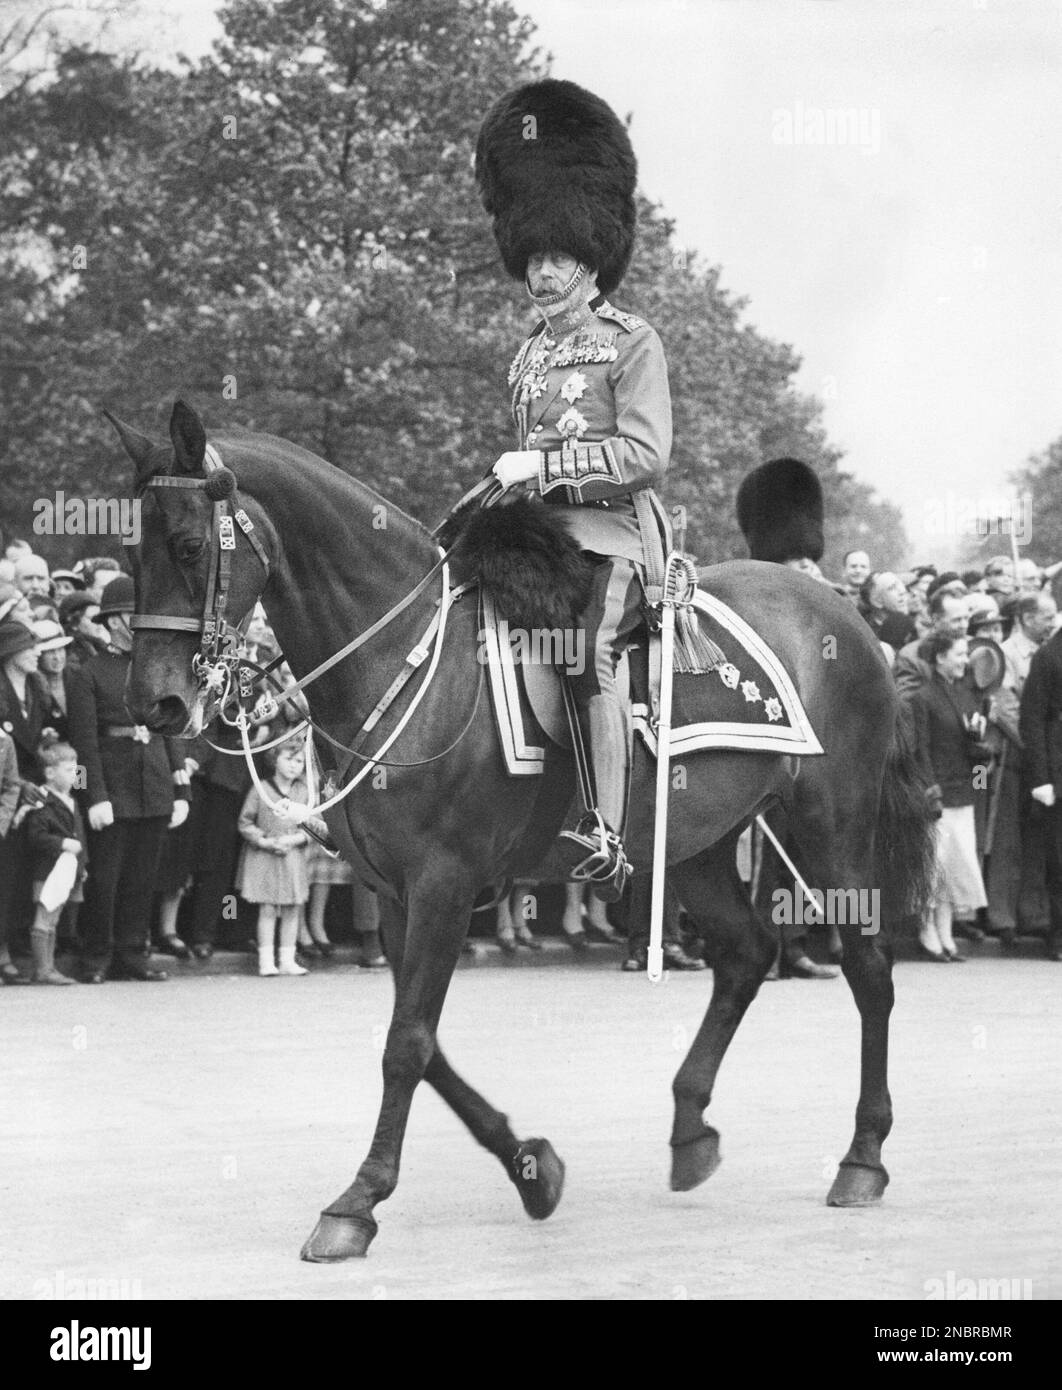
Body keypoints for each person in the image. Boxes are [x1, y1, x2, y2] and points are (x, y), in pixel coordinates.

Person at [475, 78, 671, 900]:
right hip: (539, 537)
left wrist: (545, 469)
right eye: (533, 255)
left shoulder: (633, 341)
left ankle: (604, 825)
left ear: (591, 257)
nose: (541, 271)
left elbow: (646, 453)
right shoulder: (527, 354)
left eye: (556, 256)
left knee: (585, 648)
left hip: (613, 539)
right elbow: (524, 458)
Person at [65, 575, 189, 983]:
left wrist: (181, 787)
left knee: (142, 879)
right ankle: (96, 957)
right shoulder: (89, 672)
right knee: (105, 879)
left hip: (153, 784)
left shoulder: (154, 666)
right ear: (114, 620)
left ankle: (132, 956)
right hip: (111, 789)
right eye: (131, 614)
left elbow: (170, 725)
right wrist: (93, 796)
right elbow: (84, 745)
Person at [909, 631, 989, 961]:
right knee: (934, 866)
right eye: (958, 653)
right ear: (940, 657)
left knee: (956, 866)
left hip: (962, 791)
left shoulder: (965, 695)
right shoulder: (921, 698)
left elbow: (975, 750)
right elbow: (920, 749)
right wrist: (930, 791)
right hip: (938, 796)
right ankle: (927, 930)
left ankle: (946, 930)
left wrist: (980, 748)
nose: (965, 660)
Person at [986, 592, 1057, 947]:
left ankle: (1034, 913)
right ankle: (1002, 916)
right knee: (1007, 842)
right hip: (1012, 760)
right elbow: (1008, 711)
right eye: (1046, 617)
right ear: (1027, 618)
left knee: (1039, 842)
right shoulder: (1004, 655)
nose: (1052, 622)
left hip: (1043, 759)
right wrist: (1038, 750)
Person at [236, 740, 312, 977]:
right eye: (288, 759)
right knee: (267, 909)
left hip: (292, 856)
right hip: (265, 856)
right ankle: (266, 960)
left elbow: (313, 824)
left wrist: (294, 840)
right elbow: (245, 822)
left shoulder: (304, 792)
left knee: (292, 908)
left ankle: (287, 959)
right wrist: (264, 840)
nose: (293, 766)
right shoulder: (261, 788)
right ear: (274, 759)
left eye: (298, 761)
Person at [0, 619, 49, 981]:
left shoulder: (37, 686)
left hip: (28, 792)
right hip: (6, 791)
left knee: (19, 878)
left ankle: (15, 946)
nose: (37, 652)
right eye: (30, 646)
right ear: (10, 651)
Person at [22, 738, 86, 985]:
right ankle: (43, 969)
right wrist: (61, 844)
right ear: (49, 772)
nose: (74, 775)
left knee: (54, 918)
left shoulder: (73, 801)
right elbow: (36, 836)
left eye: (76, 770)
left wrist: (83, 865)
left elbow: (81, 838)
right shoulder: (43, 801)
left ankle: (48, 967)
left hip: (68, 870)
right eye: (68, 770)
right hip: (48, 871)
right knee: (44, 917)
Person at [1018, 614, 1062, 961]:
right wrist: (1042, 778)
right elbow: (1032, 719)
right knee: (1059, 863)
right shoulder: (1048, 656)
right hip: (1057, 773)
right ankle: (1058, 936)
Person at [893, 587, 970, 698]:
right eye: (956, 620)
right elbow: (908, 703)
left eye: (966, 618)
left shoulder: (974, 646)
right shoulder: (911, 657)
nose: (964, 625)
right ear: (936, 620)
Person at [59, 591, 108, 670]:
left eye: (100, 618)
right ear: (74, 624)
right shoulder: (73, 655)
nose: (99, 623)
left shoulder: (100, 646)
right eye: (92, 619)